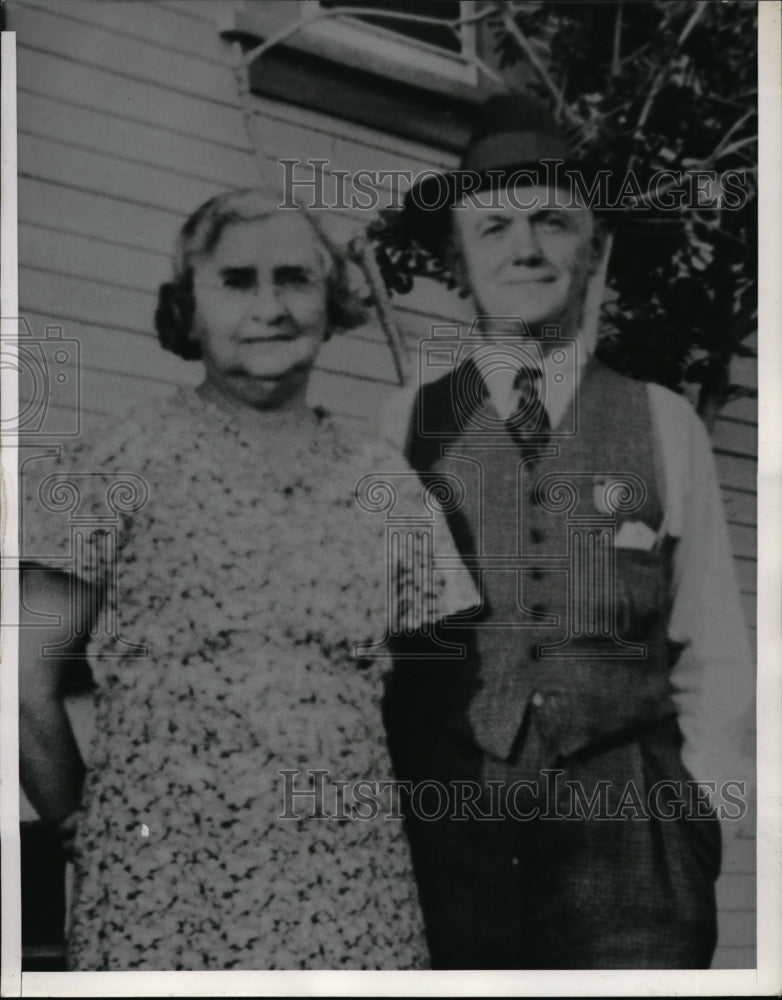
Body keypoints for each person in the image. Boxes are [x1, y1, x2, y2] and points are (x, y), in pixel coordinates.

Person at [18, 187, 476, 970]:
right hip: (162, 893)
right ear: (187, 311)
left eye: (295, 279)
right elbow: (22, 678)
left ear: (331, 306)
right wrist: (79, 821)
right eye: (236, 281)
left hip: (351, 896)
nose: (269, 306)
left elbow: (432, 704)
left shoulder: (385, 482)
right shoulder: (119, 460)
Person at [380, 95, 753, 969]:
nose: (528, 247)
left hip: (633, 838)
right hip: (453, 831)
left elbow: (714, 647)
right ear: (459, 260)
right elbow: (377, 639)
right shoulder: (404, 424)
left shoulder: (662, 420)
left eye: (553, 221)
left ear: (593, 248)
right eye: (496, 226)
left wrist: (700, 812)